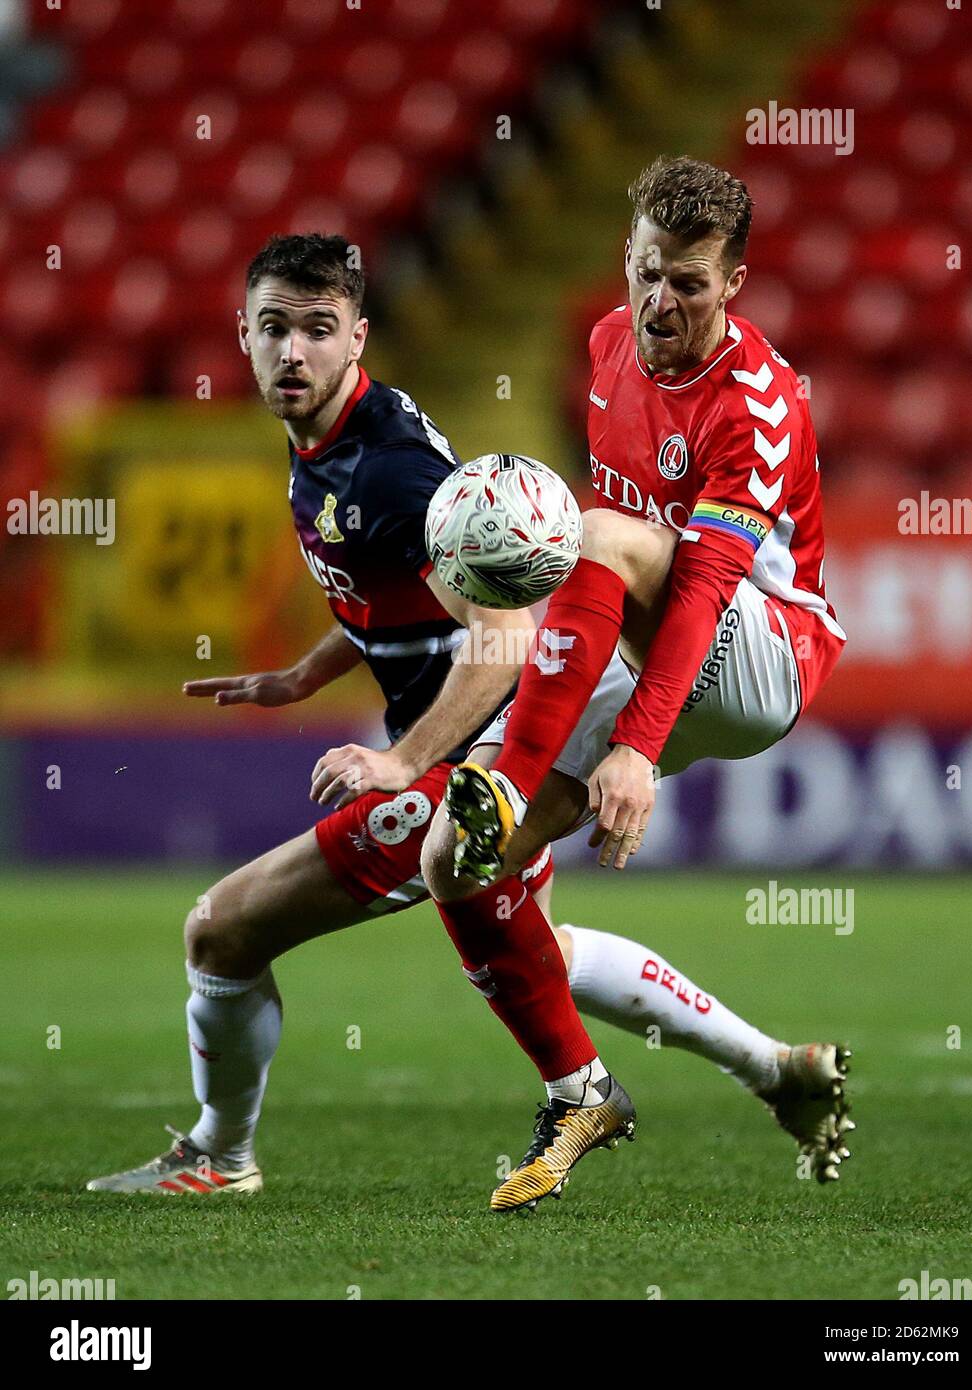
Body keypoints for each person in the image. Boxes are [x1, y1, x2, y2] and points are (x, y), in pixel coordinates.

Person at [84, 234, 839, 1209]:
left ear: (358, 334)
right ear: (244, 333)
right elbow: (395, 590)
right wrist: (304, 674)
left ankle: (221, 1155)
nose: (293, 353)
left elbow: (503, 634)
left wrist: (405, 758)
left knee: (221, 933)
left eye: (318, 330)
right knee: (536, 951)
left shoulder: (389, 468)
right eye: (274, 329)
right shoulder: (324, 446)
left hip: (470, 756)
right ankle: (777, 1069)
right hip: (473, 746)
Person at [421, 156, 852, 1210]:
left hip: (764, 650)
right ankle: (767, 1073)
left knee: (597, 533)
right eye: (647, 271)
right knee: (462, 867)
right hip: (654, 647)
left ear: (734, 282)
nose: (661, 300)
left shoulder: (757, 404)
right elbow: (613, 569)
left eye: (690, 283)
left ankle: (516, 779)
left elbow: (700, 580)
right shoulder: (606, 345)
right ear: (626, 257)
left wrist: (636, 749)